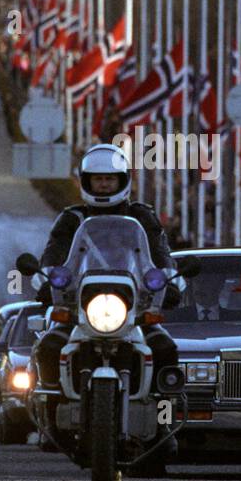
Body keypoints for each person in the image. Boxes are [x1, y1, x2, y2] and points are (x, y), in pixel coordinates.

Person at [32, 144, 180, 390]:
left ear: (122, 181)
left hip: (133, 308)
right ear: (85, 181)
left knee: (164, 348)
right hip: (80, 308)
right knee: (49, 346)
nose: (103, 185)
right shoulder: (71, 219)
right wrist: (47, 281)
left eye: (109, 179)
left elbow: (161, 253)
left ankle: (162, 413)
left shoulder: (142, 216)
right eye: (97, 179)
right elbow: (52, 255)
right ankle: (50, 401)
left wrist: (170, 282)